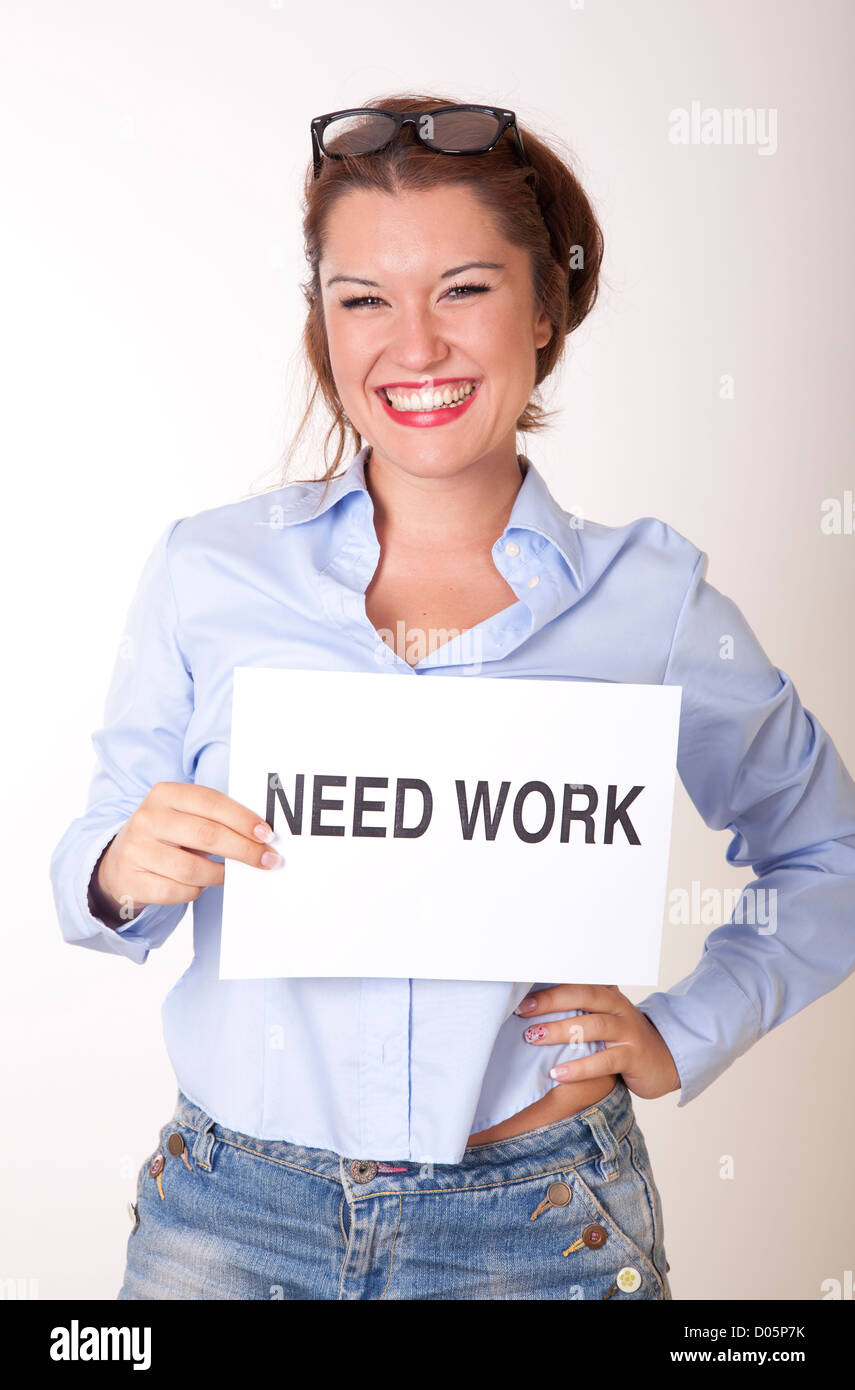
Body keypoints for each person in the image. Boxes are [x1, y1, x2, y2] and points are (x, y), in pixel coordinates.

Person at [50, 94, 855, 1302]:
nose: (412, 346)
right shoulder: (205, 570)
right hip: (230, 1220)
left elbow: (827, 854)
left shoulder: (655, 599)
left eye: (464, 289)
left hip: (537, 1225)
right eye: (361, 299)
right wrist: (120, 865)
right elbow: (93, 883)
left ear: (546, 308)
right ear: (322, 325)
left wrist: (678, 1034)